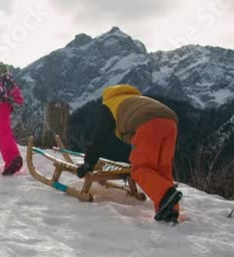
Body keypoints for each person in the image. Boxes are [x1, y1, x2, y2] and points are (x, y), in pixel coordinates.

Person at [75, 84, 182, 223]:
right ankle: (170, 212)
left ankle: (167, 195)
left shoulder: (110, 104)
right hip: (170, 122)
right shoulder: (135, 99)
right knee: (162, 170)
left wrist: (89, 163)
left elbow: (100, 137)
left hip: (147, 122)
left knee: (139, 169)